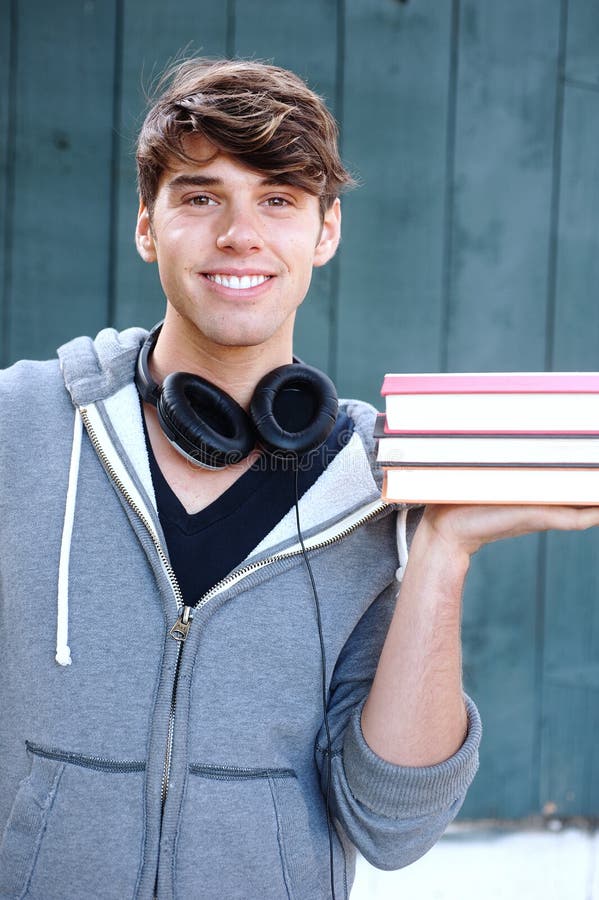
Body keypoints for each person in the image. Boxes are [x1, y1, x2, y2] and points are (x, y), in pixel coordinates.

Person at [0, 57, 597, 900]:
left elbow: (392, 827)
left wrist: (440, 551)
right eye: (201, 196)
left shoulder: (377, 479)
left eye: (276, 198)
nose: (239, 233)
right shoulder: (18, 424)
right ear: (146, 225)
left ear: (325, 231)